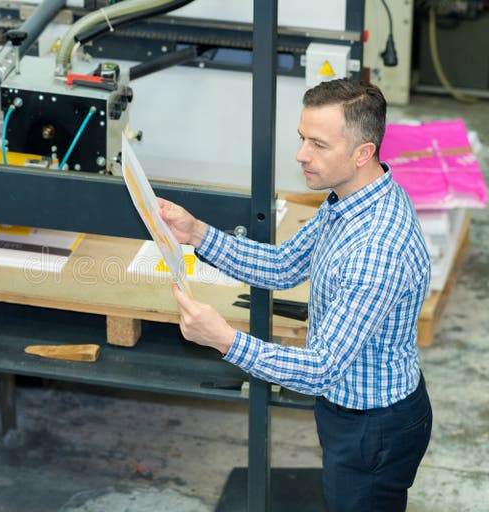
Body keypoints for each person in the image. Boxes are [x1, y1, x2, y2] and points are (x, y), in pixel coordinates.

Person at [158, 78, 432, 512]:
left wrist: (225, 339)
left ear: (363, 153)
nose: (301, 155)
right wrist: (197, 234)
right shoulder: (349, 198)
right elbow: (284, 265)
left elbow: (321, 367)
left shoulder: (377, 247)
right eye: (302, 138)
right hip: (348, 409)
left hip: (373, 427)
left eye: (318, 144)